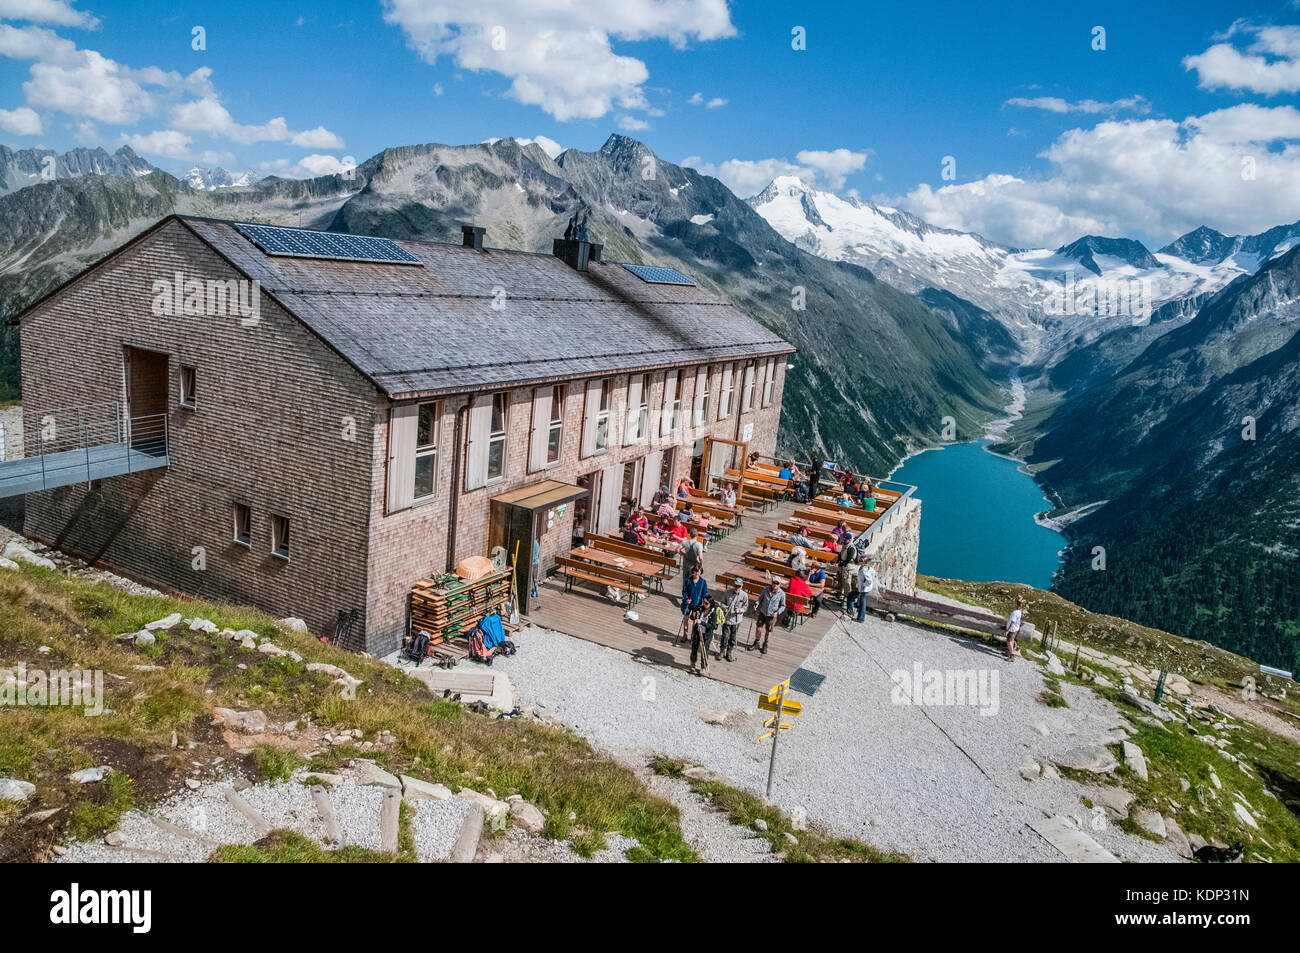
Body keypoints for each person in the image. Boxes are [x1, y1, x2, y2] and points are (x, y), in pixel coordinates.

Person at [751, 578, 785, 655]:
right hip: (763, 612)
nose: (775, 585)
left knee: (768, 631)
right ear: (771, 582)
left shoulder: (782, 593)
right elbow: (760, 598)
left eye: (777, 583)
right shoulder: (766, 589)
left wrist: (778, 612)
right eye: (774, 583)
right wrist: (756, 604)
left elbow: (783, 606)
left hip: (772, 616)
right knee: (758, 629)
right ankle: (756, 642)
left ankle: (765, 644)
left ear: (780, 584)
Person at [690, 595, 722, 675]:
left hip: (707, 634)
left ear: (710, 604)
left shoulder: (713, 613)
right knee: (694, 647)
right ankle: (692, 663)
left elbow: (713, 626)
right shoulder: (701, 608)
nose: (704, 604)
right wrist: (693, 615)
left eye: (706, 603)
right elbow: (692, 617)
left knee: (704, 650)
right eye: (703, 602)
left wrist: (702, 623)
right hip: (697, 631)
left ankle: (703, 667)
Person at [720, 581, 749, 662]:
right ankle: (722, 651)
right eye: (736, 586)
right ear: (733, 585)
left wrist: (740, 610)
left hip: (736, 620)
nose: (737, 588)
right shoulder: (727, 592)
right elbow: (722, 602)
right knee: (725, 636)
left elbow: (746, 607)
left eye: (739, 586)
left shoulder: (744, 595)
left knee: (733, 637)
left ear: (741, 587)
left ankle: (729, 653)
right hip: (727, 619)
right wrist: (724, 607)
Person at [679, 566, 709, 642]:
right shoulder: (688, 580)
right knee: (686, 618)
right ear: (693, 571)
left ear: (700, 572)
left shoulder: (703, 582)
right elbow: (684, 591)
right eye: (695, 571)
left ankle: (693, 635)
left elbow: (705, 593)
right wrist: (686, 599)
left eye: (698, 571)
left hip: (697, 604)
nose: (696, 573)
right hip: (688, 603)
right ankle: (685, 634)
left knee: (695, 620)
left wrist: (705, 601)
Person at [854, 556, 878, 624]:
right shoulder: (867, 568)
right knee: (860, 601)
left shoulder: (865, 570)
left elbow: (869, 580)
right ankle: (858, 615)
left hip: (864, 589)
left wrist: (863, 585)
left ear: (864, 562)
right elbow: (873, 573)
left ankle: (861, 618)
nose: (859, 561)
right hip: (864, 588)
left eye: (860, 560)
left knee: (862, 603)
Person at [836, 530, 856, 603]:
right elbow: (841, 554)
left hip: (848, 567)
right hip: (842, 566)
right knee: (841, 581)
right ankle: (840, 595)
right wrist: (839, 561)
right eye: (844, 538)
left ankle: (847, 598)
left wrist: (843, 563)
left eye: (846, 539)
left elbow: (849, 559)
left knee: (846, 583)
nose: (844, 540)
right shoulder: (845, 545)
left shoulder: (851, 548)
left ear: (850, 540)